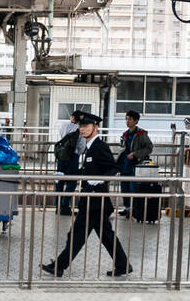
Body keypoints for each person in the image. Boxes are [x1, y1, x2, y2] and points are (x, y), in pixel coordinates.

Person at [42, 112, 132, 277]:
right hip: (92, 201)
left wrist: (102, 180)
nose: (82, 129)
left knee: (77, 235)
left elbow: (113, 168)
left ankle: (59, 267)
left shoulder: (100, 146)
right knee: (106, 236)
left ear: (95, 128)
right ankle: (123, 265)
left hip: (95, 200)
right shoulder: (90, 147)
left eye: (86, 126)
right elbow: (85, 170)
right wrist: (66, 175)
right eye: (81, 126)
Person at [116, 110, 154, 217]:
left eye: (130, 119)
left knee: (133, 188)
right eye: (126, 119)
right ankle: (127, 208)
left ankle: (134, 209)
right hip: (124, 165)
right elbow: (122, 148)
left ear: (136, 121)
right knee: (124, 188)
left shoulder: (141, 134)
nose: (127, 121)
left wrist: (136, 154)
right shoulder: (125, 134)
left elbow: (149, 148)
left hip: (134, 166)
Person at [53, 110, 84, 216]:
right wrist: (78, 153)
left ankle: (57, 206)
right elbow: (81, 146)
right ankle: (64, 205)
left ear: (72, 117)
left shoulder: (63, 125)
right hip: (73, 157)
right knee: (72, 182)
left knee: (59, 181)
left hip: (62, 156)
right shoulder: (80, 129)